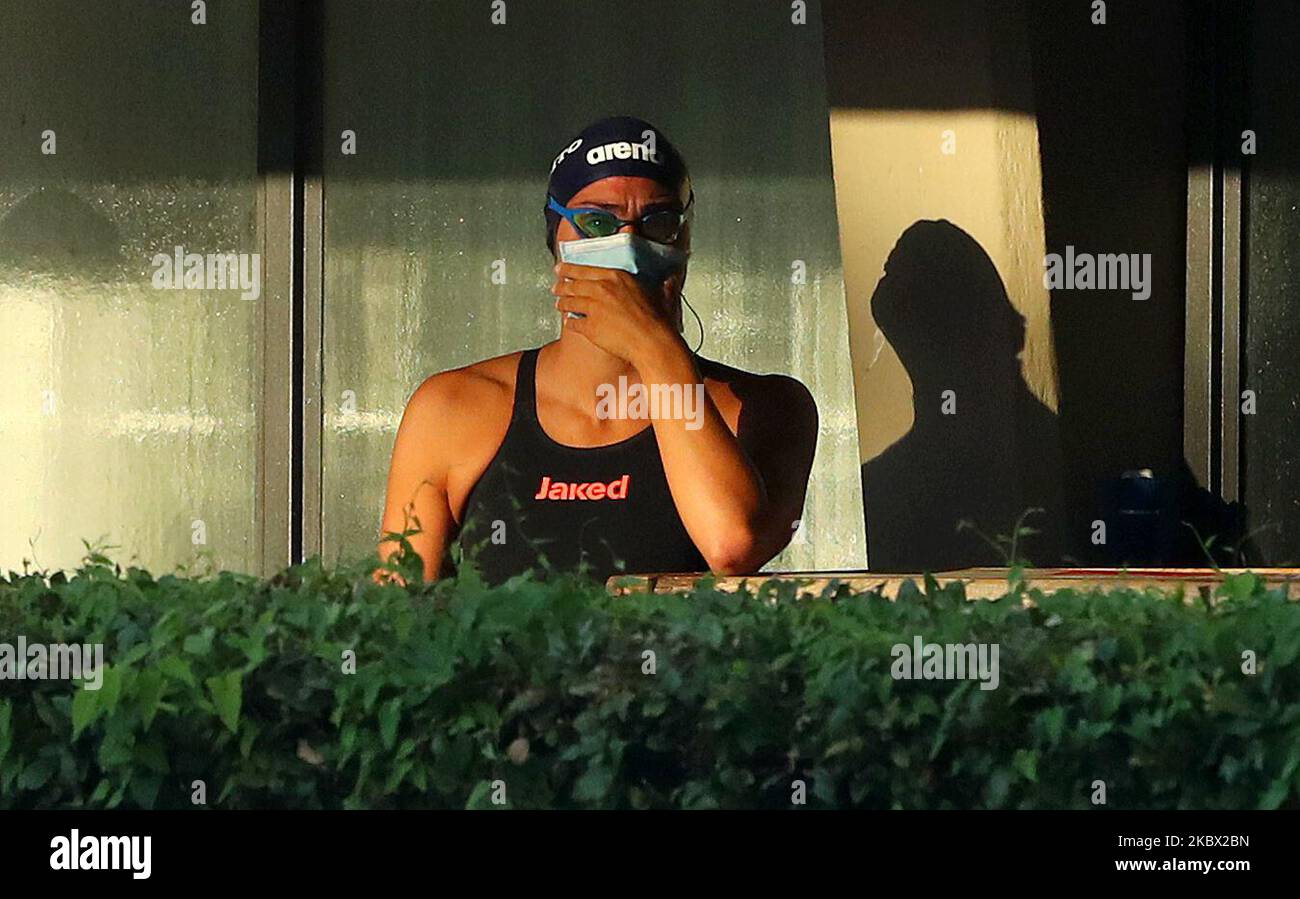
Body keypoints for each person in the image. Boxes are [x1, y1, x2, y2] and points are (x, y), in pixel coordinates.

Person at [378, 116, 817, 585]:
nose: (627, 243)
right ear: (556, 240)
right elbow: (397, 623)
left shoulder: (763, 409)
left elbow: (732, 545)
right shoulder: (454, 409)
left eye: (659, 221)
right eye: (596, 222)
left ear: (685, 239)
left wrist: (654, 348)